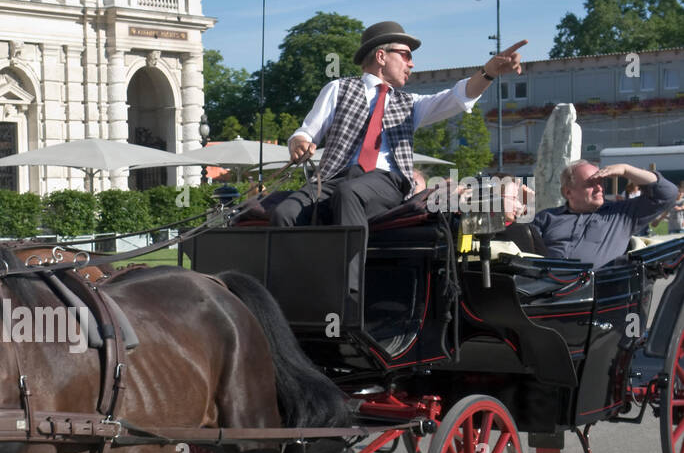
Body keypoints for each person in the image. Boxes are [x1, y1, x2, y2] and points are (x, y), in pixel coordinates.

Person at [271, 22, 526, 233]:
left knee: (350, 194)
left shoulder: (411, 103)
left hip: (386, 181)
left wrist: (489, 73)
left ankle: (351, 292)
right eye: (406, 55)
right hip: (332, 179)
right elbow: (306, 131)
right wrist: (299, 143)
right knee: (285, 213)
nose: (411, 64)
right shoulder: (338, 89)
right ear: (381, 56)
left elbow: (457, 97)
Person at [533, 161, 678, 269]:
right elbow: (521, 249)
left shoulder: (622, 214)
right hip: (547, 295)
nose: (599, 188)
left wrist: (626, 170)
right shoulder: (546, 218)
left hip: (600, 298)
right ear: (568, 192)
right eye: (590, 184)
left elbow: (668, 194)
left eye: (601, 182)